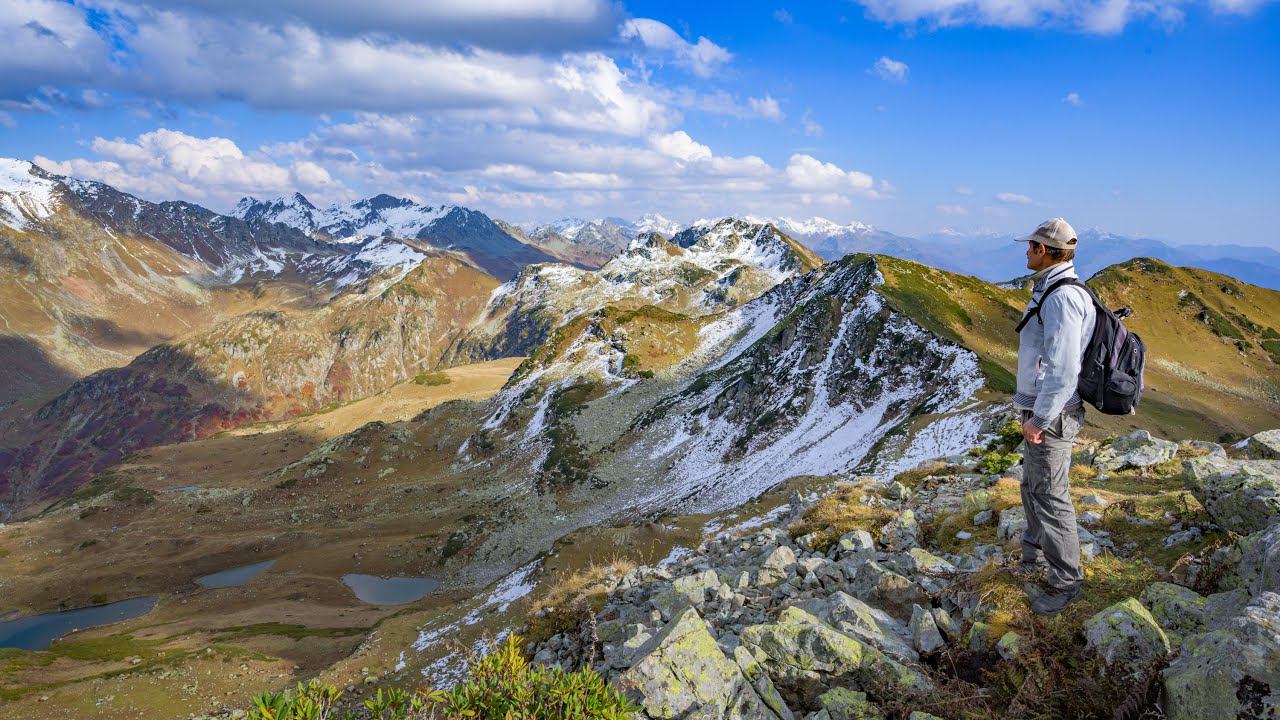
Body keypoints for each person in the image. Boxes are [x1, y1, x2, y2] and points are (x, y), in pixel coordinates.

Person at [1013, 217, 1096, 616]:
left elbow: (1063, 370)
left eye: (1030, 246)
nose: (1026, 251)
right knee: (1032, 485)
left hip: (1054, 413)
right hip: (1044, 407)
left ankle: (1066, 581)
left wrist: (1040, 419)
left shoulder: (1061, 297)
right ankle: (1031, 555)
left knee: (1050, 493)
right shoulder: (1052, 289)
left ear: (1044, 250)